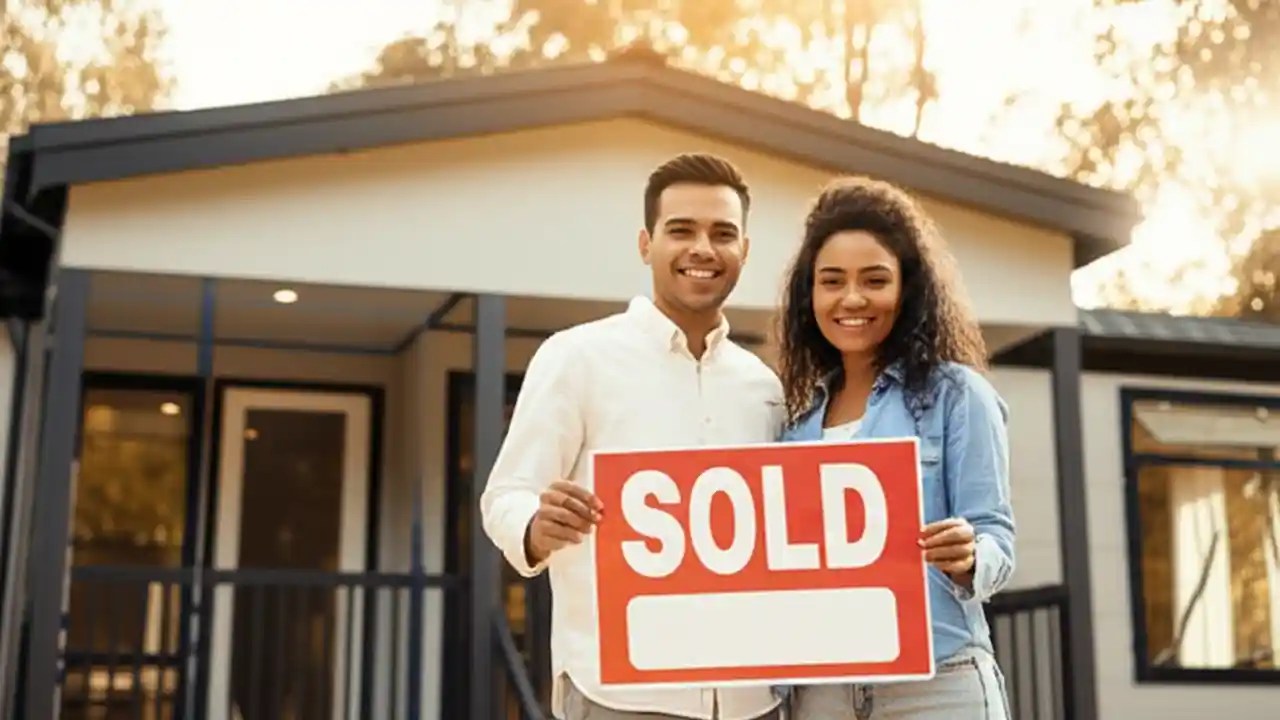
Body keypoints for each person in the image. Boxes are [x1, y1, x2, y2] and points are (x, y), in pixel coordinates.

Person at [479, 153, 786, 720]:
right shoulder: (576, 357)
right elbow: (506, 496)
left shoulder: (763, 387)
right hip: (620, 695)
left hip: (750, 701)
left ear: (744, 251)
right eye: (681, 231)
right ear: (646, 244)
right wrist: (536, 528)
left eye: (723, 234)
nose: (702, 249)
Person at [773, 176, 1015, 719]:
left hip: (937, 683)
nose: (852, 298)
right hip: (822, 693)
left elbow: (996, 534)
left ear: (907, 289)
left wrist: (971, 556)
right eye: (831, 281)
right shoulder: (795, 420)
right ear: (808, 295)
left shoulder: (957, 396)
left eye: (874, 280)